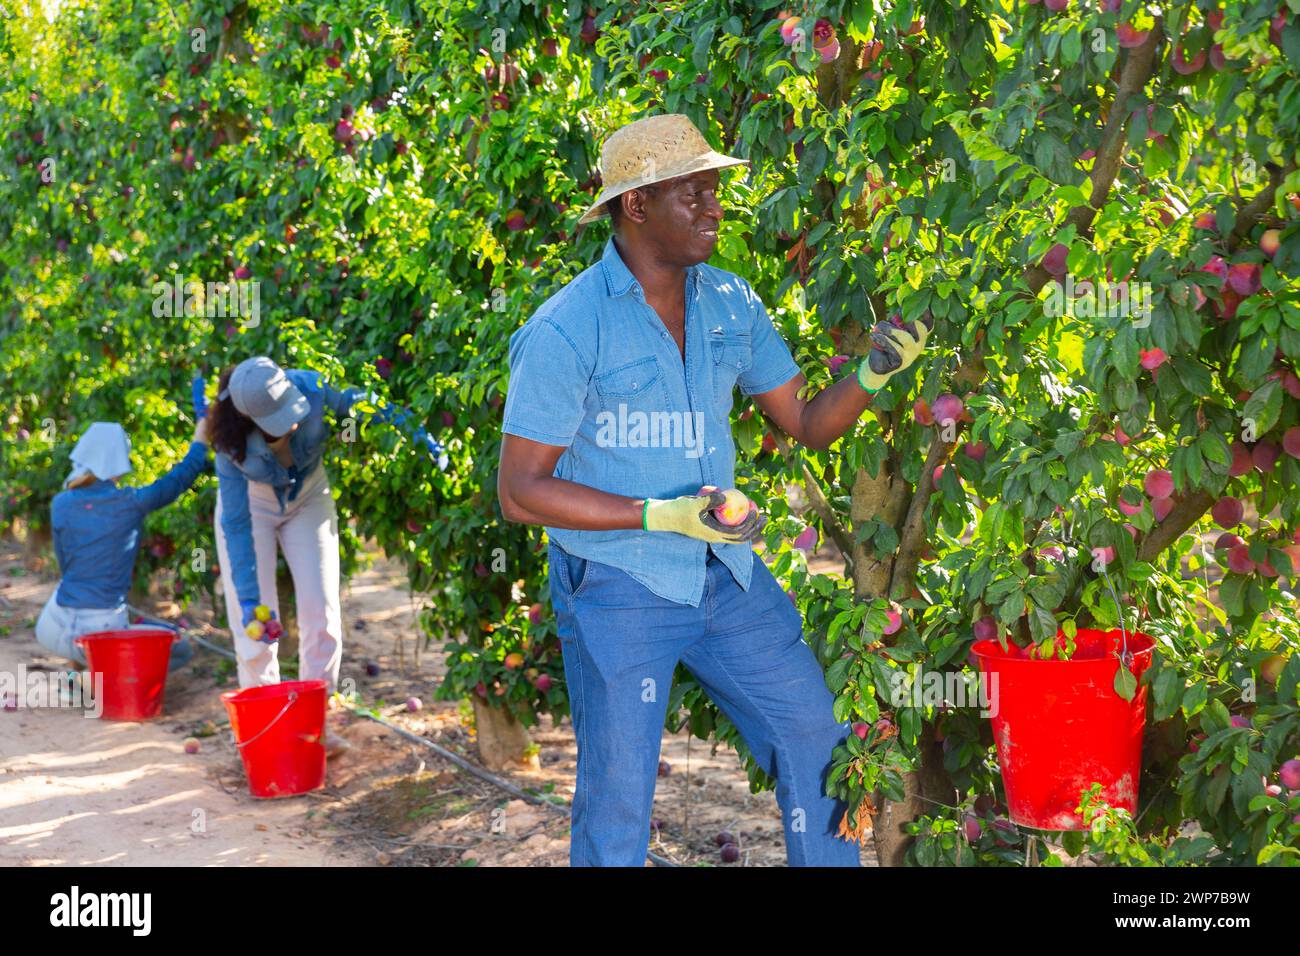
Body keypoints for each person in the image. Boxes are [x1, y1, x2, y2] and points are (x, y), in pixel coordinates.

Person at [497, 114, 929, 867]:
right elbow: (521, 492)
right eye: (694, 193)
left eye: (715, 190)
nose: (715, 207)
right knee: (619, 799)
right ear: (636, 206)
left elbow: (806, 422)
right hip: (616, 582)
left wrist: (874, 372)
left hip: (723, 576)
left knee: (817, 736)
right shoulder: (567, 330)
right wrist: (658, 514)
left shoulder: (731, 302)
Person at [205, 356, 443, 755]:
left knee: (322, 613)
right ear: (250, 421)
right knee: (254, 629)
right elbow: (236, 526)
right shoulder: (230, 448)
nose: (293, 422)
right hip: (254, 504)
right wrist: (248, 598)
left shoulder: (312, 389)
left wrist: (418, 435)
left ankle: (313, 727)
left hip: (308, 495)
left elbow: (364, 402)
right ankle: (266, 737)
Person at [38, 419, 209, 671]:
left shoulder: (61, 503)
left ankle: (83, 673)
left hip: (52, 626)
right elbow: (179, 479)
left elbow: (66, 566)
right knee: (180, 649)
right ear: (118, 462)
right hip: (103, 630)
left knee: (89, 622)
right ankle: (111, 677)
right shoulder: (130, 502)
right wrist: (200, 440)